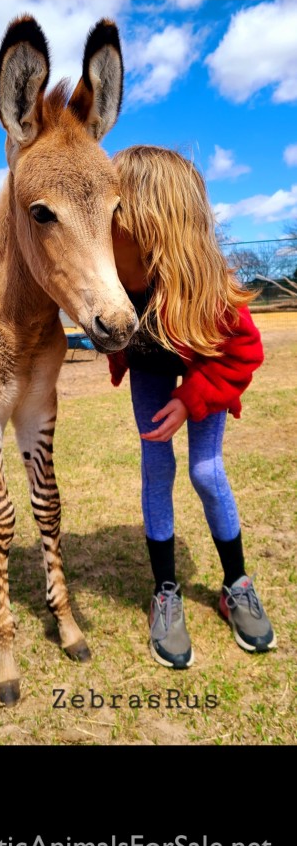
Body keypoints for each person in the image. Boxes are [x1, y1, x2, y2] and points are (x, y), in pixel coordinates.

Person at [109, 145, 276, 669]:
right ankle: (165, 591)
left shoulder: (207, 289)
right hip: (149, 367)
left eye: (111, 213)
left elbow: (245, 354)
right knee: (157, 466)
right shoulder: (105, 275)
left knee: (206, 470)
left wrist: (191, 398)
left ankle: (236, 584)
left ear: (152, 228)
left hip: (201, 373)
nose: (98, 224)